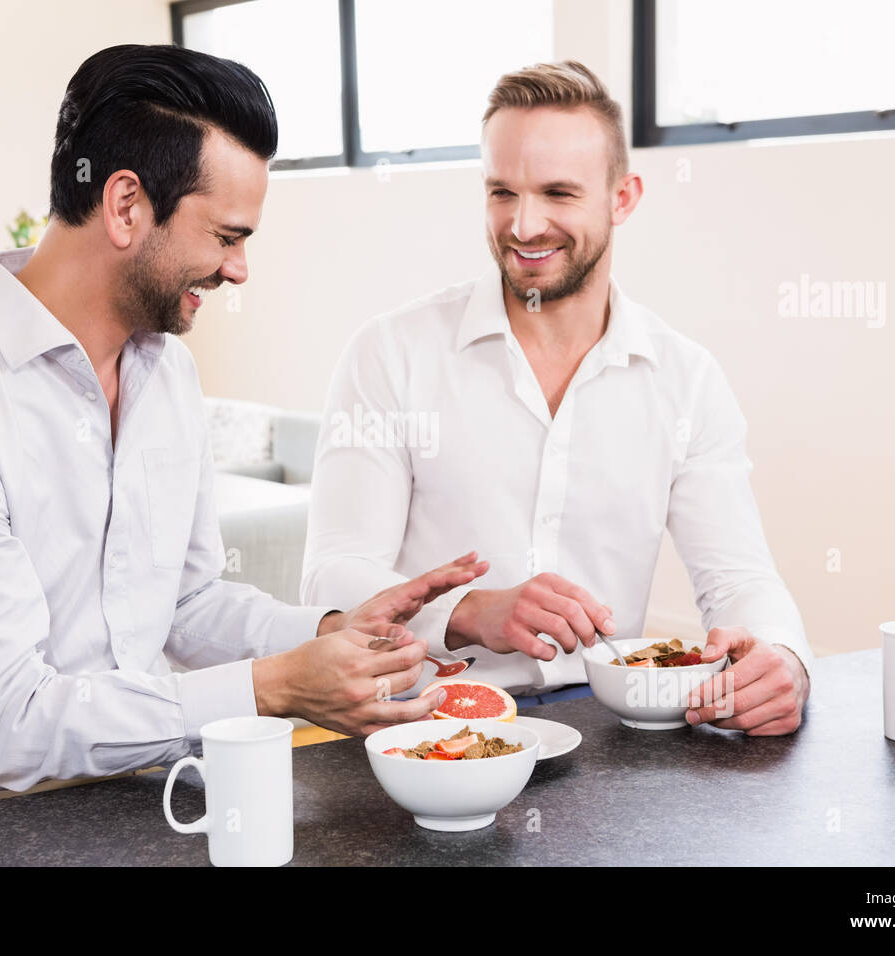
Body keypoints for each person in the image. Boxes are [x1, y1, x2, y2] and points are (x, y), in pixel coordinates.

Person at [0, 44, 485, 823]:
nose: (240, 269)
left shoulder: (165, 374)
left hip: (129, 799)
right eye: (226, 236)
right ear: (125, 206)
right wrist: (273, 685)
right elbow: (7, 723)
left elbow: (185, 604)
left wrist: (334, 631)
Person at [301, 60, 812, 734]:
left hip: (603, 732)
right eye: (501, 192)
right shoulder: (389, 354)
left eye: (558, 193)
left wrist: (784, 658)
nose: (523, 224)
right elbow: (330, 579)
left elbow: (735, 577)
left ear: (622, 198)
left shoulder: (685, 379)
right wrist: (467, 611)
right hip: (419, 730)